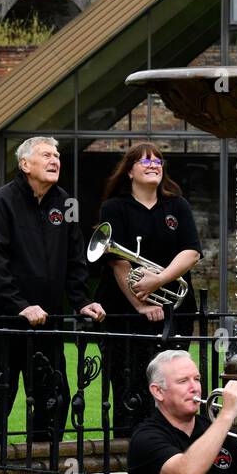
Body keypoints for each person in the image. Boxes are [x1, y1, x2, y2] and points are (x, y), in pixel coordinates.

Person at [0, 136, 106, 447]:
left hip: (47, 324)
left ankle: (45, 466)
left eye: (57, 155)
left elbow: (75, 260)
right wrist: (20, 305)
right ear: (25, 164)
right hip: (3, 322)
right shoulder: (1, 200)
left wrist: (81, 301)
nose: (55, 160)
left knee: (52, 397)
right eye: (46, 154)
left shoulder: (65, 203)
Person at [94, 144, 202, 436]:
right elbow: (118, 263)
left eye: (157, 161)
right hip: (126, 314)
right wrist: (141, 305)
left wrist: (159, 280)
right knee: (129, 385)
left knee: (175, 384)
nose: (153, 164)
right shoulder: (114, 207)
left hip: (174, 313)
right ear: (130, 171)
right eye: (144, 161)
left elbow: (191, 252)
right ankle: (127, 448)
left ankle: (174, 444)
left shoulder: (177, 206)